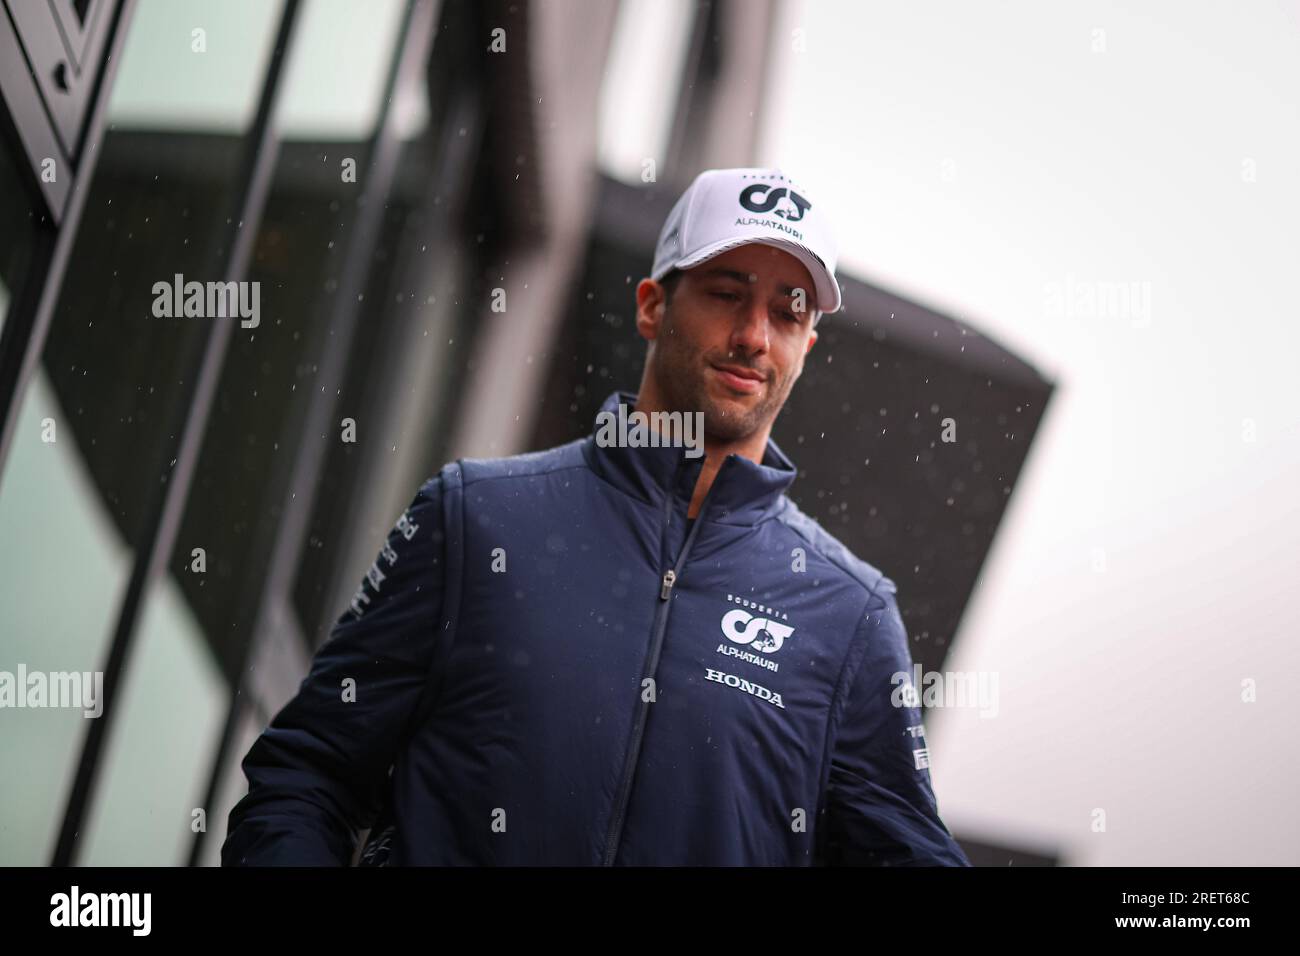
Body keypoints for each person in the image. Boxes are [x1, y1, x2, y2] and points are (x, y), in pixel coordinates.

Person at [222, 167, 971, 866]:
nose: (753, 335)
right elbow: (307, 773)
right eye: (726, 292)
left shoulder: (850, 615)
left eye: (787, 311)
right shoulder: (475, 517)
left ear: (807, 344)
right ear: (652, 305)